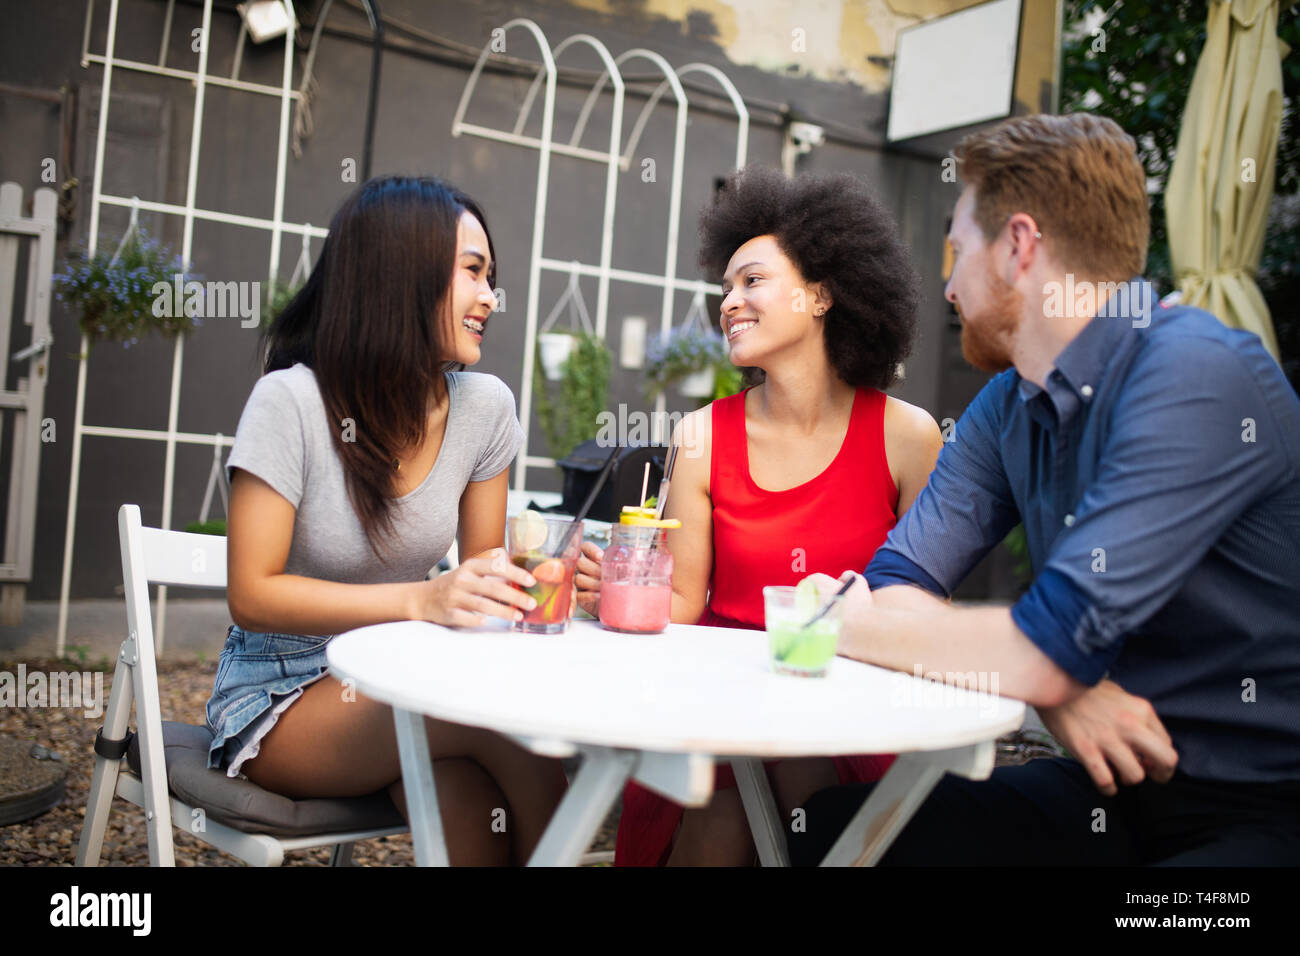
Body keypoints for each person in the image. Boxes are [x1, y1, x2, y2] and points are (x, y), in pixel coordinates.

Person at [788, 112, 1300, 867]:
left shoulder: (1196, 376)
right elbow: (901, 580)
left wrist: (855, 625)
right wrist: (1058, 692)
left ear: (1020, 246)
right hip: (1109, 791)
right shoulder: (1006, 405)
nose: (948, 281)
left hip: (1263, 807)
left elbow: (1041, 642)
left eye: (959, 250)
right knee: (846, 830)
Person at [575, 166, 944, 865]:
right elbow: (682, 602)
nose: (729, 303)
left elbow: (924, 605)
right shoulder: (702, 436)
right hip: (724, 703)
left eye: (752, 281)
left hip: (847, 707)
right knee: (724, 817)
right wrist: (615, 588)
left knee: (809, 788)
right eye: (725, 288)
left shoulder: (908, 435)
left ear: (822, 296)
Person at [206, 175, 567, 866]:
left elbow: (481, 581)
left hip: (409, 672)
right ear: (401, 273)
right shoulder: (292, 403)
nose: (491, 297)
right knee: (504, 727)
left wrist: (544, 582)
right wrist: (421, 599)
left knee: (473, 808)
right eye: (472, 272)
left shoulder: (483, 408)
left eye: (492, 277)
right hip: (284, 693)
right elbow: (252, 595)